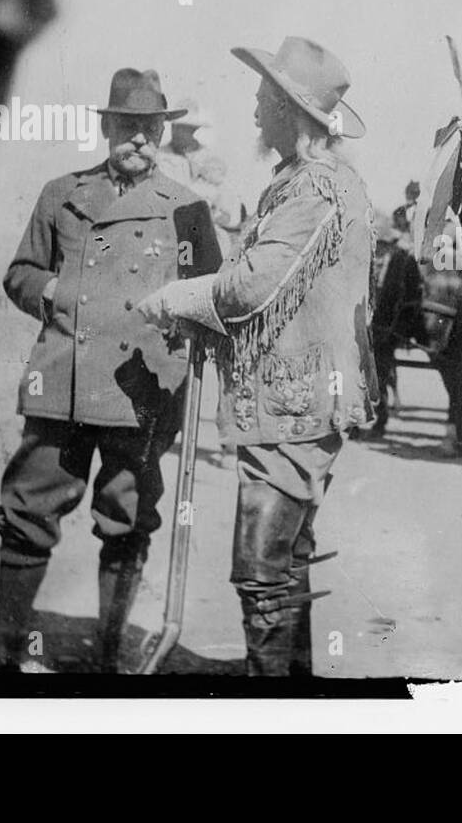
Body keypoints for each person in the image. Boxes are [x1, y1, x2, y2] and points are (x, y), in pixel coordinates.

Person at [138, 37, 377, 677]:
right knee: (283, 567)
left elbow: (250, 287)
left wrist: (179, 297)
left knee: (262, 575)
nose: (253, 110)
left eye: (263, 97)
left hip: (292, 410)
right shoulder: (300, 182)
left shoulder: (316, 189)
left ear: (290, 110)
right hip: (288, 406)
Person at [0, 68, 223, 673]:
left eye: (150, 129)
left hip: (142, 387)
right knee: (28, 511)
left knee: (127, 519)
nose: (138, 139)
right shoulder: (62, 193)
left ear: (162, 135)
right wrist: (56, 289)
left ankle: (109, 661)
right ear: (106, 127)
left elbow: (209, 291)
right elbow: (20, 274)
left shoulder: (186, 208)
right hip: (62, 378)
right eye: (127, 126)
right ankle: (5, 651)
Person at [154, 97, 247, 256]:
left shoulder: (210, 160)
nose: (177, 131)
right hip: (170, 232)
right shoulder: (160, 157)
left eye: (183, 128)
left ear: (193, 130)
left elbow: (229, 205)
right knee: (181, 268)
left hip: (207, 232)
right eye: (175, 126)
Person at [367, 211, 424, 438]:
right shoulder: (367, 263)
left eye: (383, 244)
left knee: (380, 373)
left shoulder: (403, 261)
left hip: (388, 327)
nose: (380, 249)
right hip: (366, 326)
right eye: (377, 244)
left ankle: (380, 419)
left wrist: (399, 327)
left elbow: (412, 295)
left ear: (390, 243)